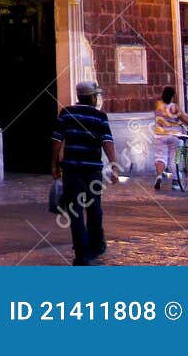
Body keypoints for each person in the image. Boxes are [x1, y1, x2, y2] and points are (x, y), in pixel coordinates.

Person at [51, 80, 120, 265]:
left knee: (75, 212)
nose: (97, 98)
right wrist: (114, 164)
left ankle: (81, 254)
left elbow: (57, 140)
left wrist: (54, 164)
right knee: (94, 208)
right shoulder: (100, 116)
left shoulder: (66, 113)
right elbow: (107, 141)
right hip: (92, 170)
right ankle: (95, 245)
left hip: (72, 169)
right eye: (96, 95)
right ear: (91, 97)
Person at [152, 85, 188, 191]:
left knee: (160, 157)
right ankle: (175, 181)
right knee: (174, 158)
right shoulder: (174, 107)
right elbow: (185, 120)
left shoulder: (157, 106)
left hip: (160, 135)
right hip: (175, 135)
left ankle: (159, 176)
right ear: (173, 96)